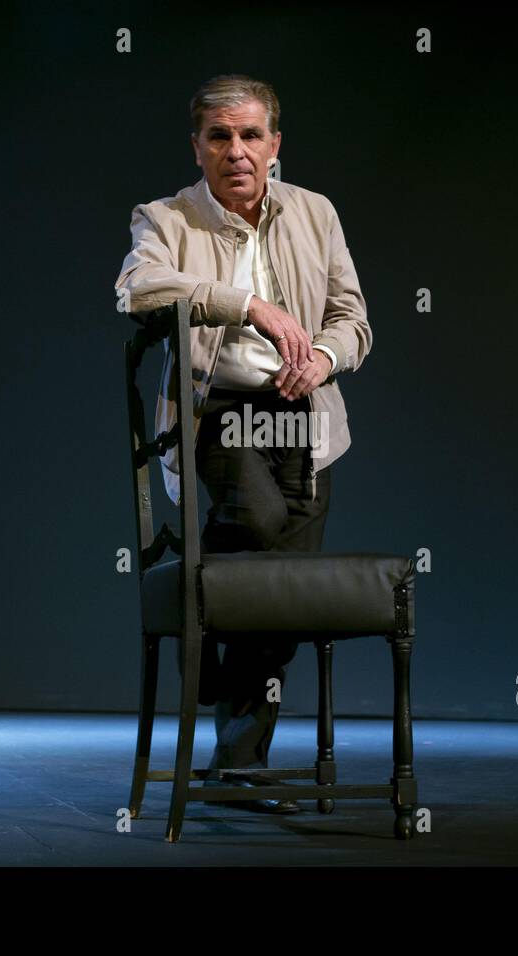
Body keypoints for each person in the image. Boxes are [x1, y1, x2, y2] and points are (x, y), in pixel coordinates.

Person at [114, 74, 371, 813]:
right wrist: (249, 306)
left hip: (306, 420)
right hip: (218, 412)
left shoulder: (315, 213)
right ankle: (225, 706)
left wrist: (323, 357)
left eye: (251, 135)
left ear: (274, 145)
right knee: (256, 528)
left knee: (282, 593)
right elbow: (137, 291)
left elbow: (353, 318)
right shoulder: (166, 218)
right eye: (220, 136)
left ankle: (237, 760)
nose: (237, 150)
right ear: (197, 146)